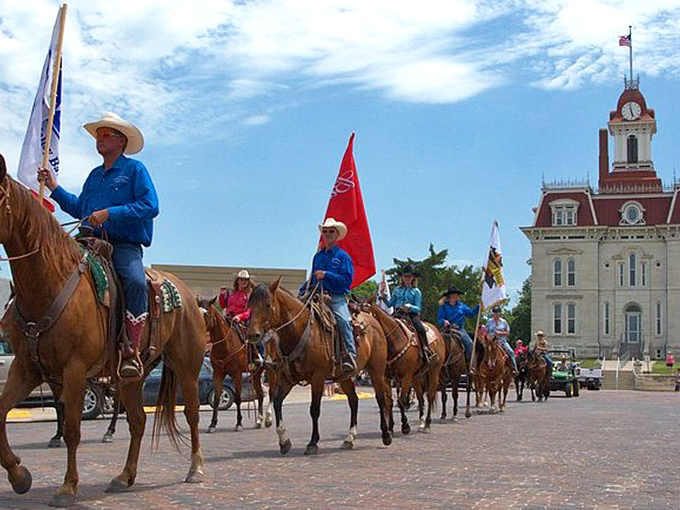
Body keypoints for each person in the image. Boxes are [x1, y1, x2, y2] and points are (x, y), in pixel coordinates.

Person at [38, 112, 159, 379]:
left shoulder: (135, 170)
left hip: (122, 246)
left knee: (136, 281)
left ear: (121, 141)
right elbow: (80, 208)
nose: (99, 139)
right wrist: (54, 187)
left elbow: (151, 206)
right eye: (98, 134)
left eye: (106, 134)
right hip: (88, 241)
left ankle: (131, 349)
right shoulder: (94, 176)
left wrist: (111, 213)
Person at [300, 218, 356, 373]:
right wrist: (302, 290)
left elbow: (347, 281)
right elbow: (312, 277)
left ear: (337, 234)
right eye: (325, 231)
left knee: (343, 321)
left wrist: (326, 275)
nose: (328, 234)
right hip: (316, 295)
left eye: (331, 231)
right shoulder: (317, 257)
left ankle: (350, 355)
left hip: (336, 297)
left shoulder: (343, 257)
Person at [380, 265, 438, 366]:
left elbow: (418, 308)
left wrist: (410, 307)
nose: (407, 278)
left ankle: (426, 349)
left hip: (411, 314)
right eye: (405, 276)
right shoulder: (397, 290)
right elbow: (390, 304)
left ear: (413, 278)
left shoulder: (416, 292)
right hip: (397, 313)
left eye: (409, 276)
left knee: (420, 328)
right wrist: (384, 298)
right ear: (402, 277)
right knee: (385, 327)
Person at [224, 270, 262, 367]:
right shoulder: (232, 293)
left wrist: (240, 317)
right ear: (237, 281)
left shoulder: (250, 295)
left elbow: (250, 311)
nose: (243, 282)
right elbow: (223, 305)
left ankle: (257, 356)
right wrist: (222, 295)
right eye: (241, 280)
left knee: (252, 335)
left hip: (243, 319)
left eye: (245, 280)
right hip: (229, 318)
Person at [437, 287, 479, 366]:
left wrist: (479, 306)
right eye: (452, 294)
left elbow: (470, 314)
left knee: (470, 344)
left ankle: (469, 365)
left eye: (455, 294)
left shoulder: (462, 306)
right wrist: (444, 321)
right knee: (436, 343)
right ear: (449, 296)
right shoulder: (443, 306)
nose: (454, 296)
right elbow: (439, 319)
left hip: (459, 329)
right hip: (447, 329)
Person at [486, 307, 518, 376]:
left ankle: (514, 368)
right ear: (493, 313)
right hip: (491, 342)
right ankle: (477, 368)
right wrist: (488, 337)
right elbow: (486, 331)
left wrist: (499, 333)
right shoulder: (489, 322)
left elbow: (507, 332)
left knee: (511, 352)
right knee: (482, 351)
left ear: (500, 313)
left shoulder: (504, 322)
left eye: (497, 312)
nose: (496, 314)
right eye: (494, 312)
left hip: (502, 341)